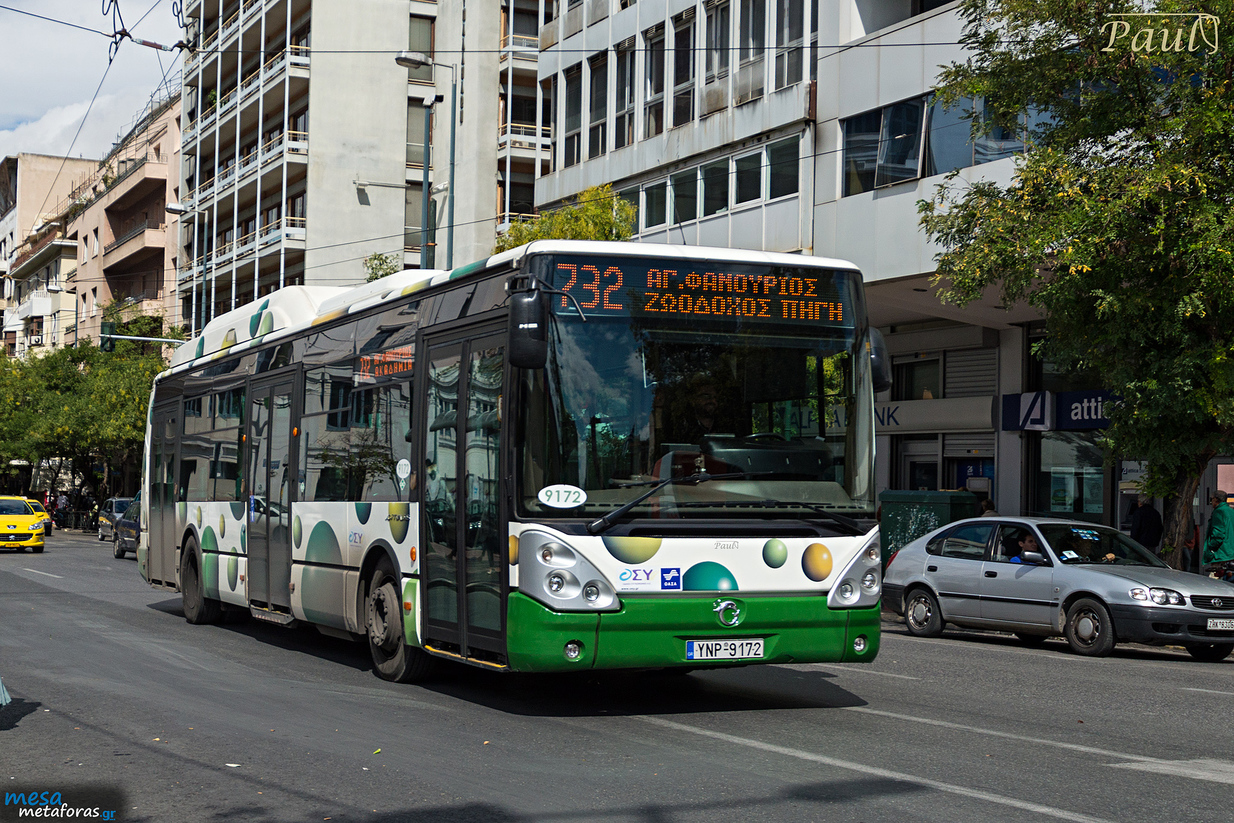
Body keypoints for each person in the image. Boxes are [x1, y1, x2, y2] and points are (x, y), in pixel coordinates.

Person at [1202, 490, 1234, 572]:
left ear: (1216, 499)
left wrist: (1211, 548)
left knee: (1214, 579)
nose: (1211, 501)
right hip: (1229, 552)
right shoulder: (1231, 511)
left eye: (1211, 499)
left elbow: (1218, 533)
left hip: (1221, 554)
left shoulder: (1219, 511)